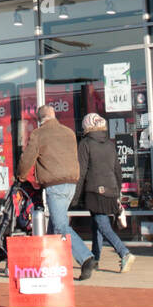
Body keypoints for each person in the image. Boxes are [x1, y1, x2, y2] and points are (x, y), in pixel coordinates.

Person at [17, 105, 96, 280]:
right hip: (71, 184)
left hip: (56, 185)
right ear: (53, 116)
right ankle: (51, 265)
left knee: (60, 226)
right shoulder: (68, 132)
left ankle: (86, 258)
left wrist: (20, 176)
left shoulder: (39, 134)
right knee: (54, 226)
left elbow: (27, 158)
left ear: (40, 120)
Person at [76, 113, 134, 273]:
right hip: (111, 188)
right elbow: (117, 169)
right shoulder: (109, 144)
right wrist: (117, 190)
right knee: (97, 224)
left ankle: (124, 252)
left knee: (102, 224)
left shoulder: (85, 144)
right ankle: (96, 258)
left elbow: (81, 172)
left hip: (94, 189)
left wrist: (75, 195)